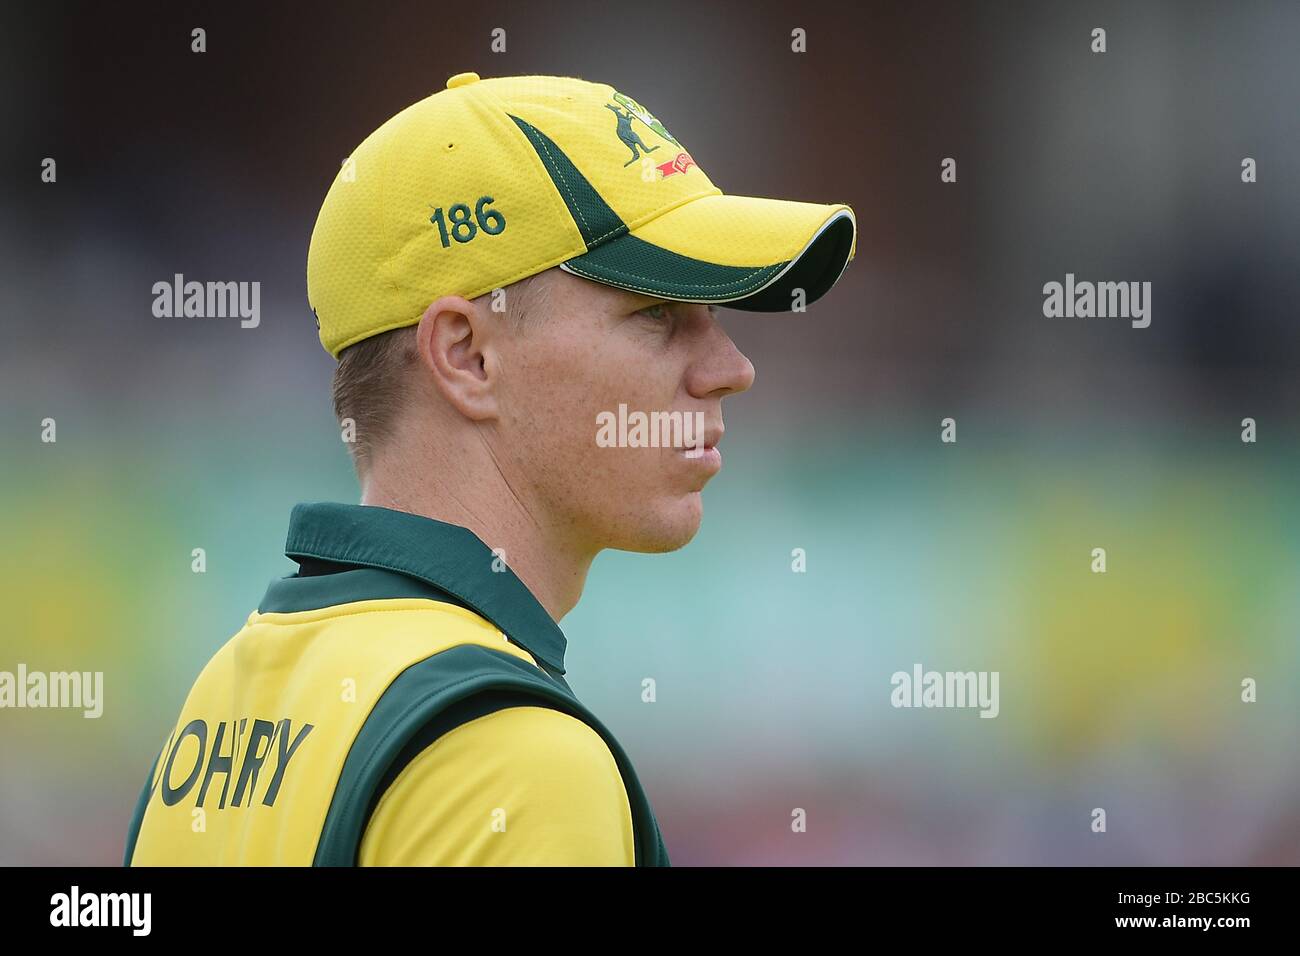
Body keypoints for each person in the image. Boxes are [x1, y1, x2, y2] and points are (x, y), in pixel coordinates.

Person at [125, 71, 856, 866]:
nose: (731, 368)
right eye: (656, 312)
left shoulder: (219, 710)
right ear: (467, 355)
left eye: (711, 317)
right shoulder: (521, 754)